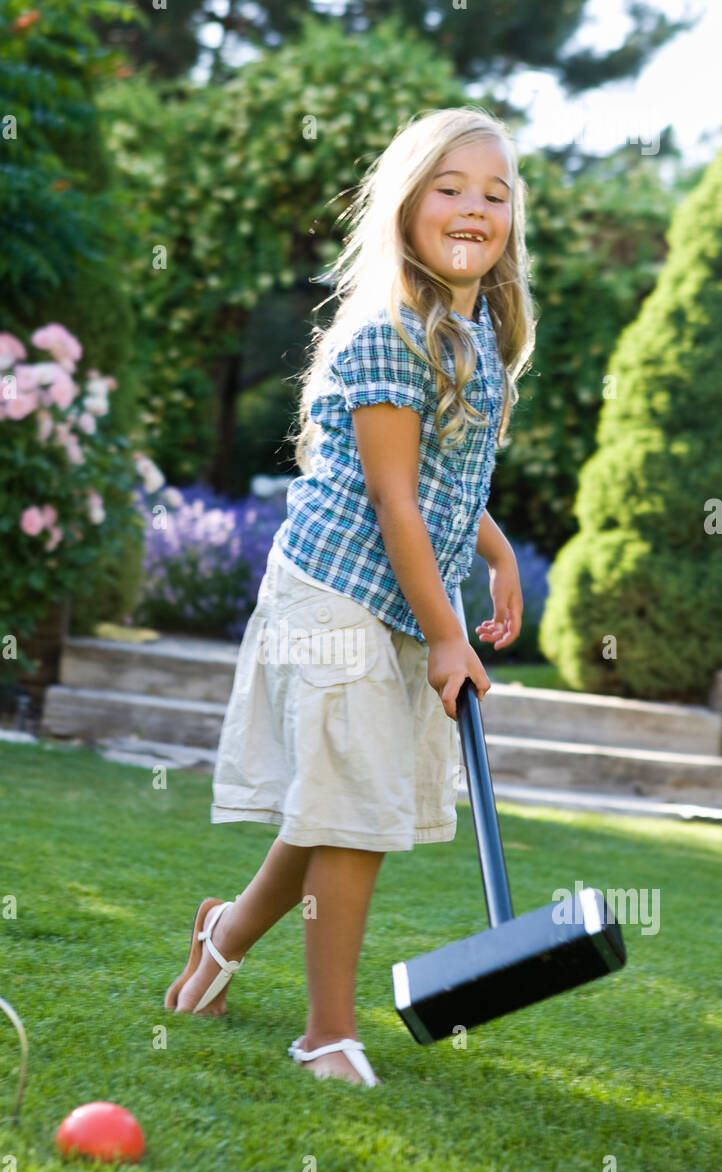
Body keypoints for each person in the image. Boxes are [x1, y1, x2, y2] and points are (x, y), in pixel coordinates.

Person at [165, 106, 536, 1087]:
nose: (472, 207)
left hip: (396, 592)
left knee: (342, 799)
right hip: (331, 592)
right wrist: (448, 633)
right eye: (449, 187)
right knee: (351, 811)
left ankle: (222, 933)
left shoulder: (476, 341)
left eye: (494, 194)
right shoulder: (386, 332)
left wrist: (494, 552)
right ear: (406, 205)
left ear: (510, 225)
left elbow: (447, 482)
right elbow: (390, 497)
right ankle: (325, 1031)